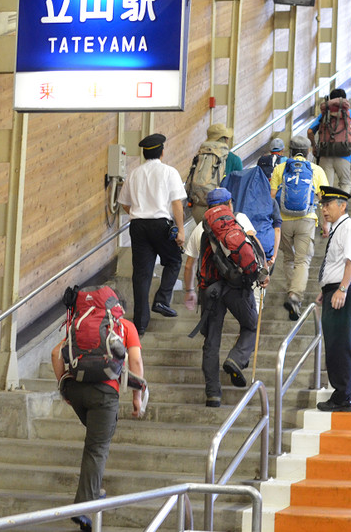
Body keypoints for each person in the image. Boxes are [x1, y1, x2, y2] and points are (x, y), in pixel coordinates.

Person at [51, 308, 144, 532]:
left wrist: (64, 387)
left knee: (96, 443)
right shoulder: (126, 326)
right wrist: (137, 397)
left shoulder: (81, 325)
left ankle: (95, 489)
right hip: (104, 394)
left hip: (77, 391)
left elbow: (56, 354)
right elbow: (136, 362)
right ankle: (83, 509)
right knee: (96, 448)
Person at [182, 187, 269, 408]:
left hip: (209, 291)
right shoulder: (237, 219)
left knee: (211, 343)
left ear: (208, 207)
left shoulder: (200, 228)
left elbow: (190, 264)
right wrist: (263, 270)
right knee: (251, 326)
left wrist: (189, 291)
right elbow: (252, 243)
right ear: (229, 203)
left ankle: (213, 394)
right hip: (236, 288)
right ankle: (236, 359)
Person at [117, 133, 186, 333]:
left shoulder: (134, 173)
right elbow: (176, 204)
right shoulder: (169, 172)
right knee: (173, 261)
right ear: (162, 152)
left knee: (141, 275)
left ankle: (139, 324)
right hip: (160, 225)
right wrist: (181, 230)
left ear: (145, 153)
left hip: (138, 226)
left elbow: (124, 205)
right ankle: (162, 300)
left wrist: (139, 214)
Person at [269, 135, 329, 320]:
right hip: (307, 219)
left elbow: (271, 196)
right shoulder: (316, 169)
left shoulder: (280, 168)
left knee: (289, 258)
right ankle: (295, 296)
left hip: (283, 221)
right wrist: (325, 222)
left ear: (290, 151)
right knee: (302, 260)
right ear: (308, 152)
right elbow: (324, 198)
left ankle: (292, 293)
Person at [315, 185, 351, 413]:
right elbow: (336, 263)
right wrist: (327, 288)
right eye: (323, 205)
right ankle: (343, 394)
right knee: (336, 344)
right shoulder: (338, 228)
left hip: (343, 292)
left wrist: (341, 288)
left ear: (342, 205)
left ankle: (343, 396)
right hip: (335, 291)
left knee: (341, 345)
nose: (324, 209)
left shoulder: (348, 228)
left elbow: (350, 261)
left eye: (328, 205)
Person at [306, 88, 351, 194]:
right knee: (345, 184)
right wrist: (349, 134)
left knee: (325, 186)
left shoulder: (324, 115)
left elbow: (310, 131)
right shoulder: (350, 113)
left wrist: (314, 146)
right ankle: (342, 208)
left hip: (325, 154)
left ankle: (325, 209)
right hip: (344, 154)